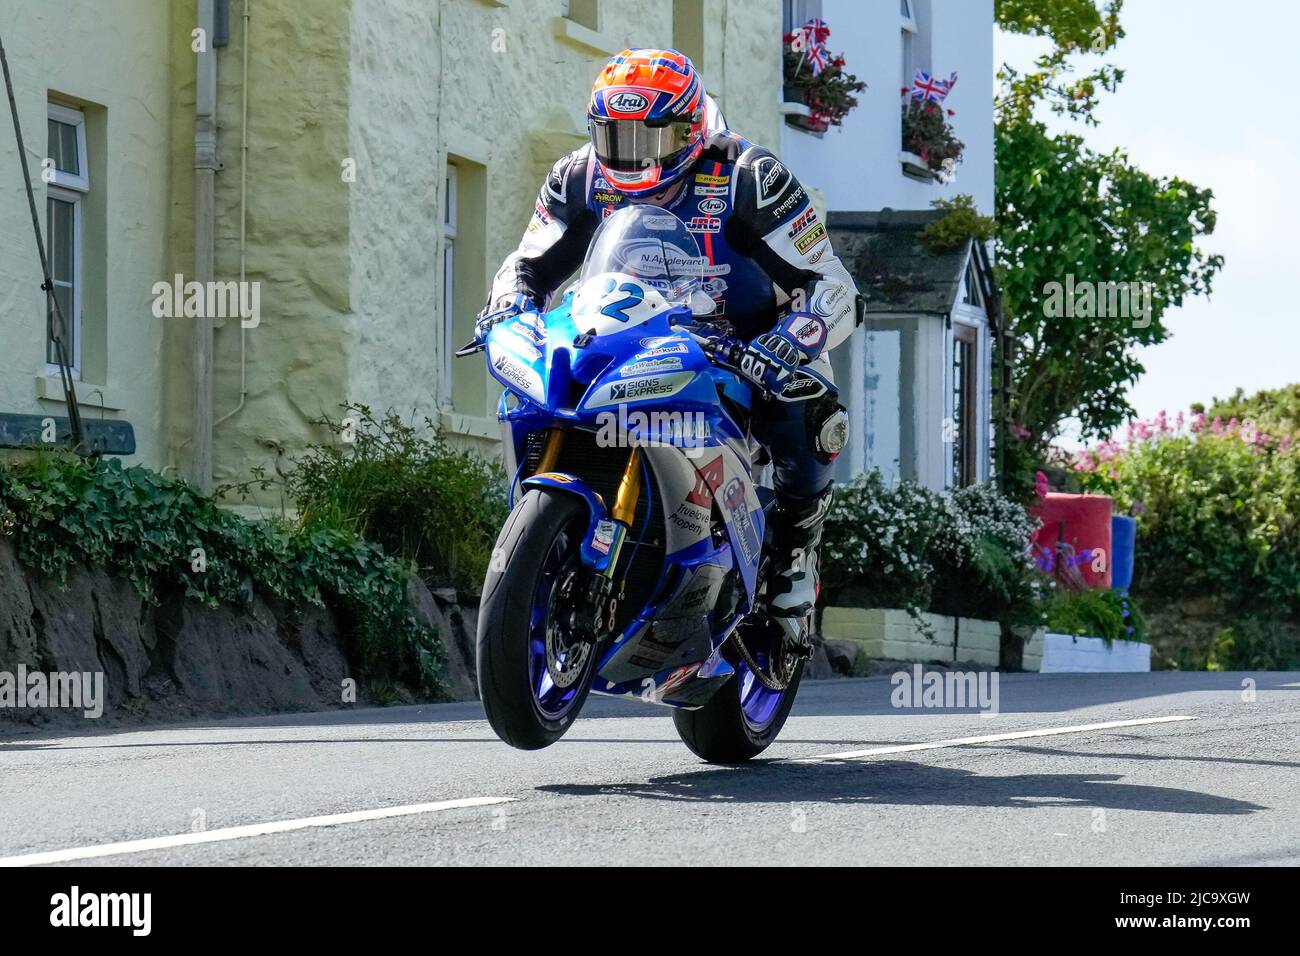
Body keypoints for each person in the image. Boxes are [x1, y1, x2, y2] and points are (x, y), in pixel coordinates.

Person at [474, 48, 860, 650]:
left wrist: (786, 343)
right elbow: (527, 262)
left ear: (690, 129)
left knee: (809, 414)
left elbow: (834, 286)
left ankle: (793, 561)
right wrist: (507, 304)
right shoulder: (578, 176)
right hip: (621, 332)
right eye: (616, 137)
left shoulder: (751, 177)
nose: (632, 156)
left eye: (650, 138)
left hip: (745, 341)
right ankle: (556, 535)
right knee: (548, 384)